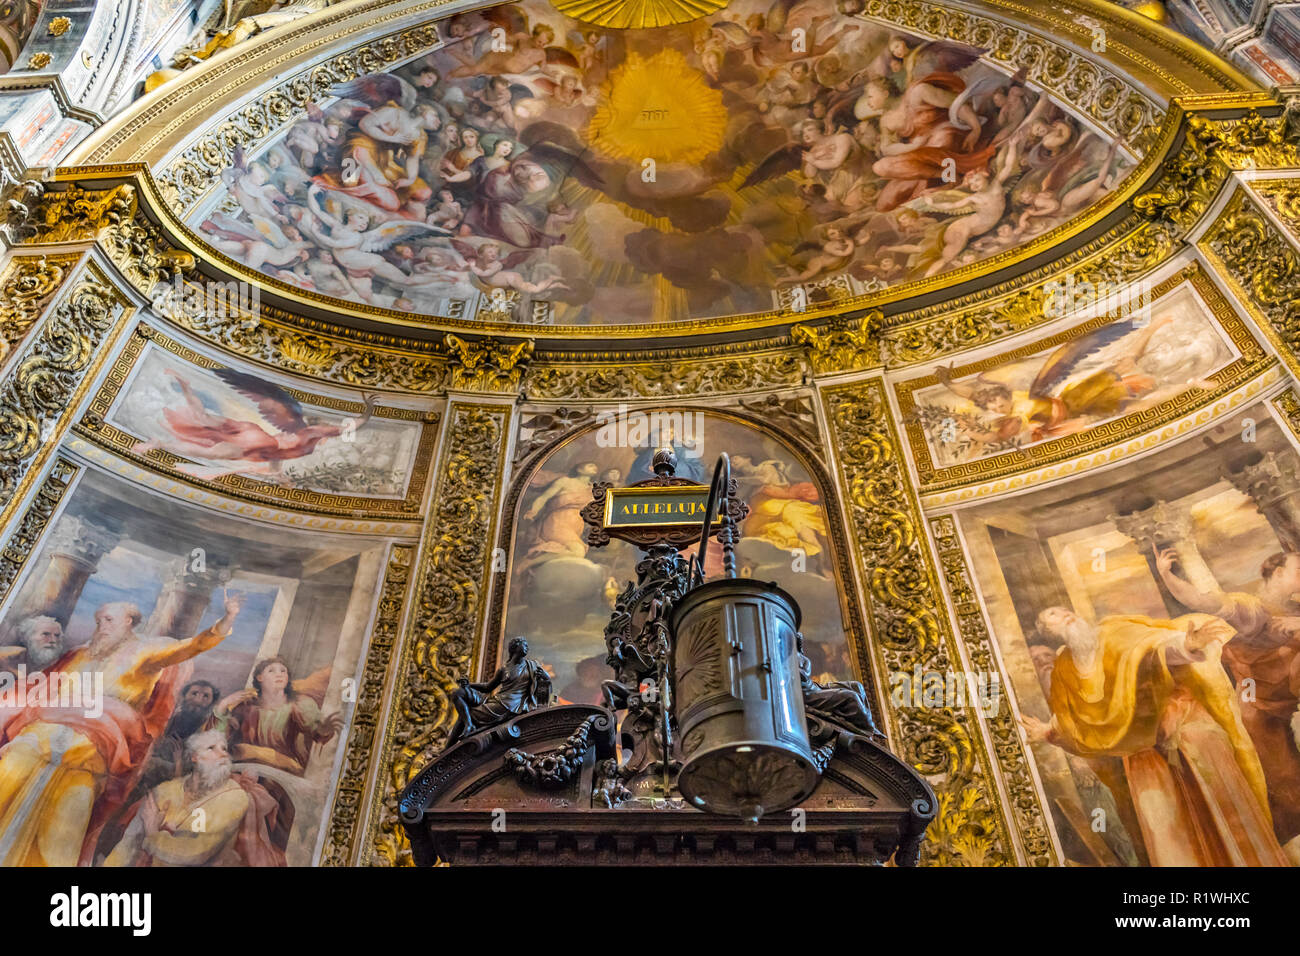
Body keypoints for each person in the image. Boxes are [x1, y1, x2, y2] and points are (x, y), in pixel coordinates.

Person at [1021, 605, 1289, 865]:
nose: (1065, 613)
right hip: (1142, 753)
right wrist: (1049, 731)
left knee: (1222, 802)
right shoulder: (1065, 672)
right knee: (1166, 828)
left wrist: (1187, 645)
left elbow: (1156, 647)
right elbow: (1074, 717)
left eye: (1065, 609)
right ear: (1048, 632)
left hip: (1186, 727)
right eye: (1053, 615)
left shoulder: (1113, 632)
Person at [0, 594, 243, 866]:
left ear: (128, 621)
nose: (101, 625)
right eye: (98, 620)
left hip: (95, 745)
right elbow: (41, 689)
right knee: (11, 771)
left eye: (108, 620)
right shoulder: (80, 654)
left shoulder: (146, 651)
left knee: (69, 809)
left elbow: (194, 646)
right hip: (42, 733)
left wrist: (228, 619)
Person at [1154, 547, 1300, 851]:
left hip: (1291, 704)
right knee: (1285, 785)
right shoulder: (1252, 609)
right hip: (1262, 712)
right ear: (1278, 572)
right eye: (1299, 571)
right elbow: (1205, 602)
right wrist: (1167, 575)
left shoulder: (1296, 610)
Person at [103, 731, 284, 867]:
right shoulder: (165, 790)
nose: (222, 754)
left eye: (224, 749)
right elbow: (128, 844)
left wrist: (153, 835)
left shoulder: (235, 797)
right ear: (195, 757)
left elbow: (196, 852)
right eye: (211, 748)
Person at [215, 657, 341, 776]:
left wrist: (324, 730)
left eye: (283, 671)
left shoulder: (299, 704)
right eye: (271, 671)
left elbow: (317, 733)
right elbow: (222, 737)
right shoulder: (245, 707)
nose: (279, 674)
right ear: (260, 677)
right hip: (245, 766)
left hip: (281, 769)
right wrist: (223, 706)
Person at [447, 637, 550, 743]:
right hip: (498, 700)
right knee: (458, 693)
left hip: (510, 705)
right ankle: (467, 726)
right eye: (524, 644)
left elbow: (546, 679)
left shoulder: (532, 665)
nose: (527, 647)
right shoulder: (504, 669)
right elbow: (488, 687)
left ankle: (447, 751)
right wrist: (469, 685)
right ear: (515, 647)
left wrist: (545, 675)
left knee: (466, 714)